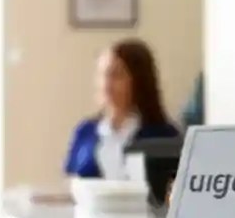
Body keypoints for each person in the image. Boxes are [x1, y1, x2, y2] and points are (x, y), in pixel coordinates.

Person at [63, 39, 181, 179]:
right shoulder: (85, 131)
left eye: (116, 75)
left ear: (138, 81)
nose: (106, 84)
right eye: (102, 75)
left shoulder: (165, 136)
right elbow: (71, 180)